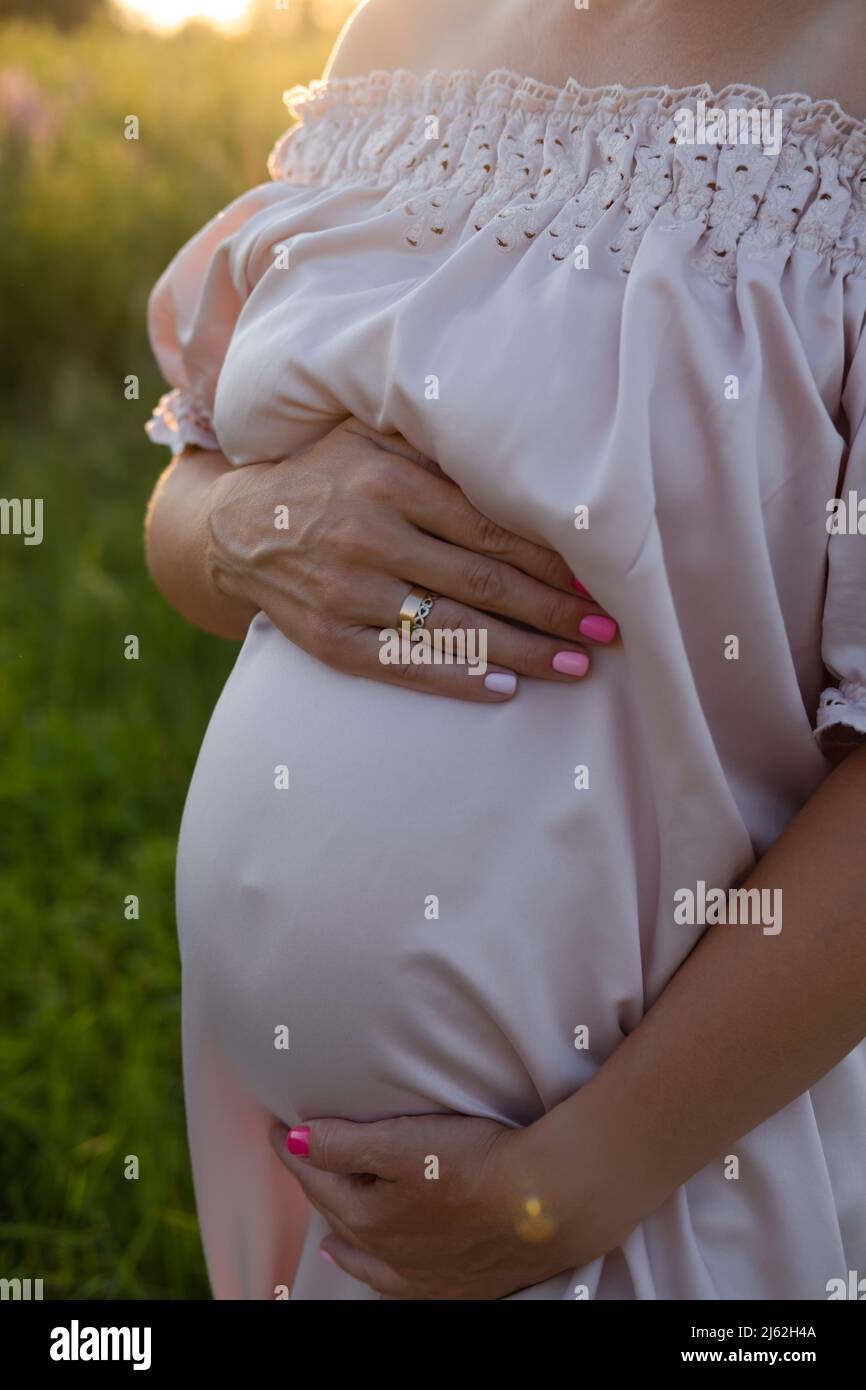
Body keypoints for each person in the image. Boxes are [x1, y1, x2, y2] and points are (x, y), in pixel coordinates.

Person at [144, 0, 866, 1299]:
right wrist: (250, 526)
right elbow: (190, 494)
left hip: (656, 1189)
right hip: (298, 1186)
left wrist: (576, 1180)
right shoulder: (399, 34)